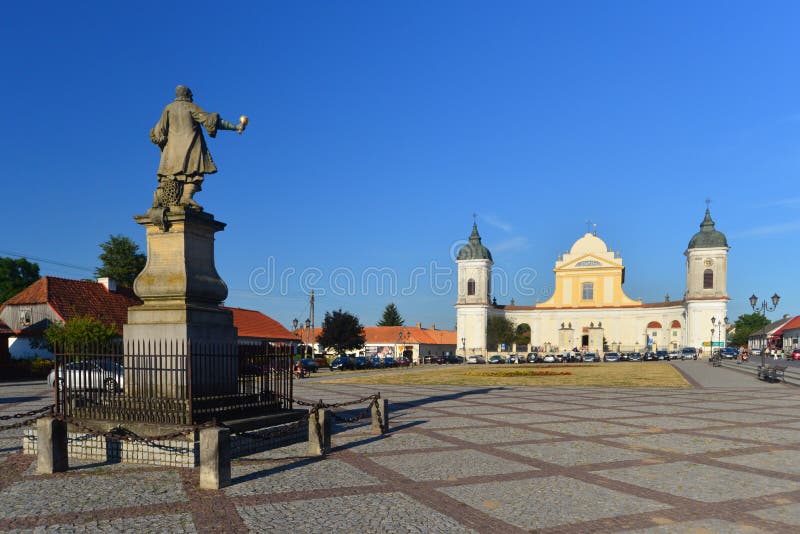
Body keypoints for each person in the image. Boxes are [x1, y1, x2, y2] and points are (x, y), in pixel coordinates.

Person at [150, 85, 246, 209]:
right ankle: (186, 197)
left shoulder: (168, 109)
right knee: (194, 175)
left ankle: (163, 199)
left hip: (172, 153)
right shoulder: (190, 107)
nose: (193, 97)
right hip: (190, 149)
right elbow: (211, 121)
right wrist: (235, 127)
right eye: (191, 95)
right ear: (187, 95)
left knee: (170, 177)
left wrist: (160, 140)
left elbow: (158, 131)